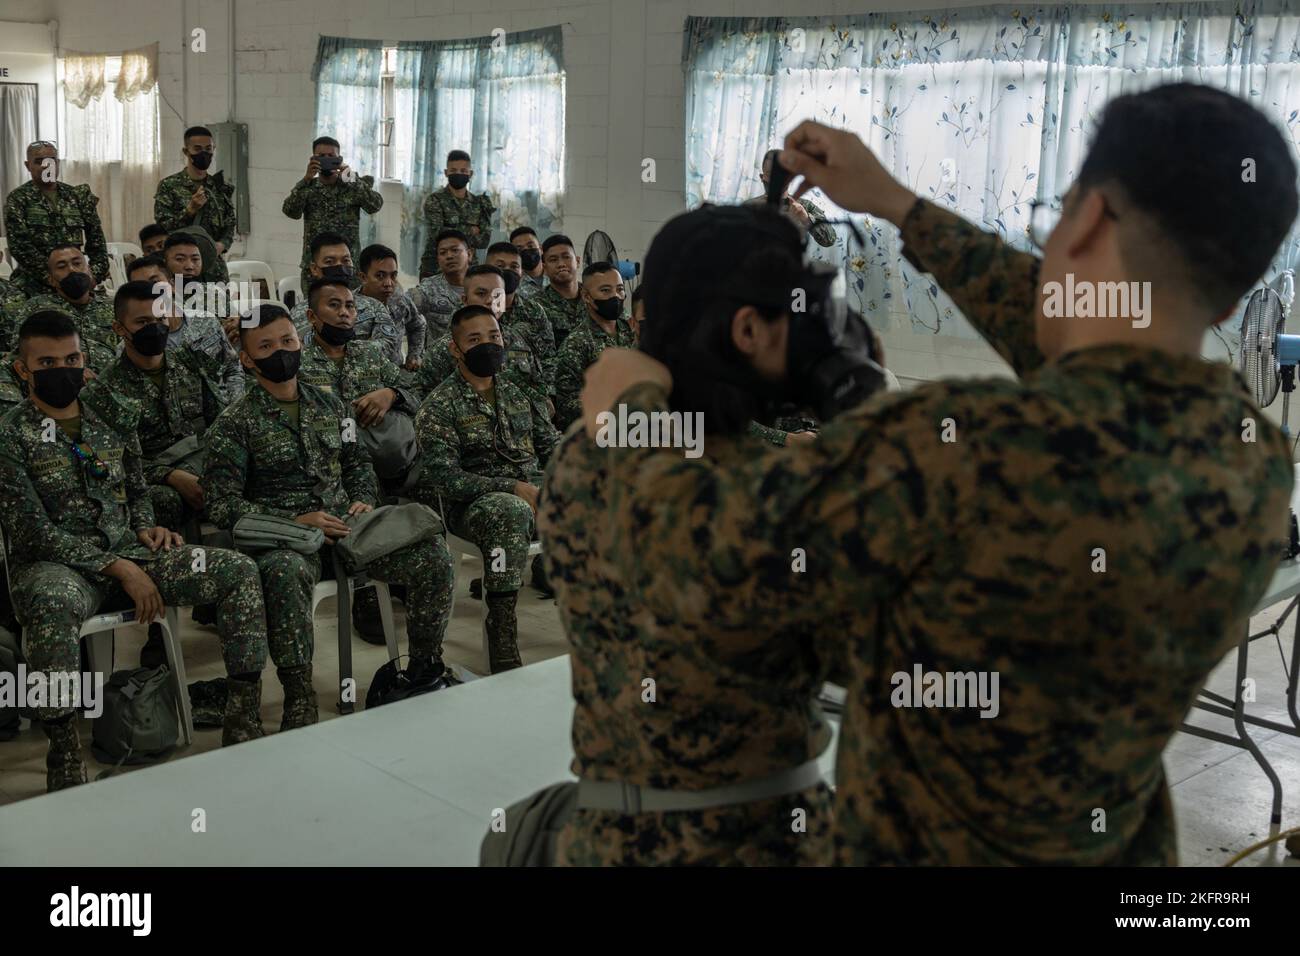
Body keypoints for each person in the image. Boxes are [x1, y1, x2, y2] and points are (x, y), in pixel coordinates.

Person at [573, 84, 1298, 865]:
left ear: (1087, 217)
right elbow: (1092, 333)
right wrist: (896, 203)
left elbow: (694, 556)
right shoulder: (1253, 457)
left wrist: (632, 413)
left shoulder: (958, 449)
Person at [0, 310, 271, 790]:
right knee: (53, 602)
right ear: (22, 370)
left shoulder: (110, 417)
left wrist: (148, 528)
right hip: (57, 567)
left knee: (235, 570)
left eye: (72, 358)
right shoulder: (9, 435)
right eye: (46, 362)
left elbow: (137, 485)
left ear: (85, 358)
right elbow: (31, 533)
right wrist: (119, 567)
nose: (63, 369)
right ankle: (62, 751)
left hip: (132, 551)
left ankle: (242, 717)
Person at [204, 305, 458, 725]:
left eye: (287, 341)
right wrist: (295, 522)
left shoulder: (332, 404)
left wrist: (363, 498)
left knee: (432, 553)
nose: (281, 351)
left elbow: (357, 461)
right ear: (247, 358)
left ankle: (423, 669)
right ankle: (298, 692)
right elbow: (220, 503)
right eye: (265, 346)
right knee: (284, 572)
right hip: (287, 540)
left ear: (300, 342)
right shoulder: (234, 424)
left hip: (348, 526)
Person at [414, 305, 557, 673]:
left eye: (493, 337)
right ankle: (502, 629)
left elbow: (549, 444)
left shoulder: (517, 392)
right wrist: (510, 486)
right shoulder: (439, 407)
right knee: (510, 511)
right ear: (455, 349)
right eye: (475, 340)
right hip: (475, 506)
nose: (488, 345)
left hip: (533, 494)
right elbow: (444, 479)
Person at [2, 141, 109, 297]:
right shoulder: (18, 199)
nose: (47, 166)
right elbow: (20, 247)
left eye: (51, 161)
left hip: (78, 281)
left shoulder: (77, 196)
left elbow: (97, 243)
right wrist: (52, 278)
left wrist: (93, 276)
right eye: (39, 162)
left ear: (58, 163)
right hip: (34, 283)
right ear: (28, 165)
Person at [283, 136, 384, 295]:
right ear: (313, 159)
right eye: (321, 156)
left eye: (331, 156)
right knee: (314, 311)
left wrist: (352, 178)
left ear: (339, 159)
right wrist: (306, 179)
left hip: (347, 266)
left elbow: (375, 205)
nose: (326, 160)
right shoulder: (308, 188)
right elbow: (290, 211)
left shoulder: (351, 186)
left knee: (350, 310)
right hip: (315, 266)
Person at [288, 233, 402, 363]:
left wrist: (345, 352)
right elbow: (293, 350)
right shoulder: (297, 312)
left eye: (346, 261)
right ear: (314, 269)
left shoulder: (373, 307)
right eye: (330, 261)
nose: (340, 266)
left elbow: (389, 346)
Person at [157, 235, 244, 400]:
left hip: (220, 370)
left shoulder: (214, 292)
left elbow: (233, 325)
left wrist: (238, 325)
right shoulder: (158, 299)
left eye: (195, 259)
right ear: (165, 262)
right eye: (180, 259)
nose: (189, 266)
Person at [552, 262, 634, 431]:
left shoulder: (631, 331)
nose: (616, 296)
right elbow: (566, 404)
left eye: (619, 289)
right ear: (587, 296)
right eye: (605, 290)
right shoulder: (577, 343)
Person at [153, 126, 236, 283]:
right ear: (186, 152)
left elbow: (230, 225)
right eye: (197, 149)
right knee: (180, 307)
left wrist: (221, 245)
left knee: (217, 307)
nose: (203, 154)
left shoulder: (220, 187)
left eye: (208, 148)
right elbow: (163, 228)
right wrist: (190, 210)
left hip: (214, 270)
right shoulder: (170, 186)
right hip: (181, 269)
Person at [12, 244, 116, 370]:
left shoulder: (114, 306)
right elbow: (19, 352)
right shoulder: (36, 307)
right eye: (62, 266)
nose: (72, 270)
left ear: (89, 270)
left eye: (77, 263)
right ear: (51, 279)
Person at [418, 150, 495, 279]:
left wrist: (452, 228)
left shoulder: (479, 203)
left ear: (470, 174)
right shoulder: (435, 200)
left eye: (463, 171)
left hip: (468, 269)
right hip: (436, 268)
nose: (458, 174)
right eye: (453, 171)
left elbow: (484, 241)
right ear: (446, 172)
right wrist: (471, 230)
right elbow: (438, 234)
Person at [747, 148, 837, 248]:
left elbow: (829, 240)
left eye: (780, 173)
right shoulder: (749, 207)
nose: (776, 179)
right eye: (770, 174)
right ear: (762, 177)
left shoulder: (805, 206)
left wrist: (806, 218)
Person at [358, 243, 425, 371]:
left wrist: (414, 355)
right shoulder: (349, 306)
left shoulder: (400, 301)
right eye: (380, 276)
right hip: (361, 378)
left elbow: (418, 325)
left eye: (393, 275)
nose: (389, 283)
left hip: (396, 376)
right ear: (363, 277)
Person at [409, 229, 471, 345]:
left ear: (469, 254)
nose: (449, 256)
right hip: (440, 359)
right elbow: (405, 308)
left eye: (455, 250)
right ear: (438, 259)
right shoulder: (428, 287)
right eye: (443, 253)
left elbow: (501, 318)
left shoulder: (488, 282)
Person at [533, 235, 585, 347]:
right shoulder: (535, 306)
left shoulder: (595, 296)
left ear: (578, 261)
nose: (561, 264)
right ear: (545, 268)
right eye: (553, 260)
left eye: (566, 257)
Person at [510, 226, 546, 300]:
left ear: (541, 249)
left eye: (530, 246)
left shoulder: (556, 275)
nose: (526, 250)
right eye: (519, 249)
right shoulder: (512, 284)